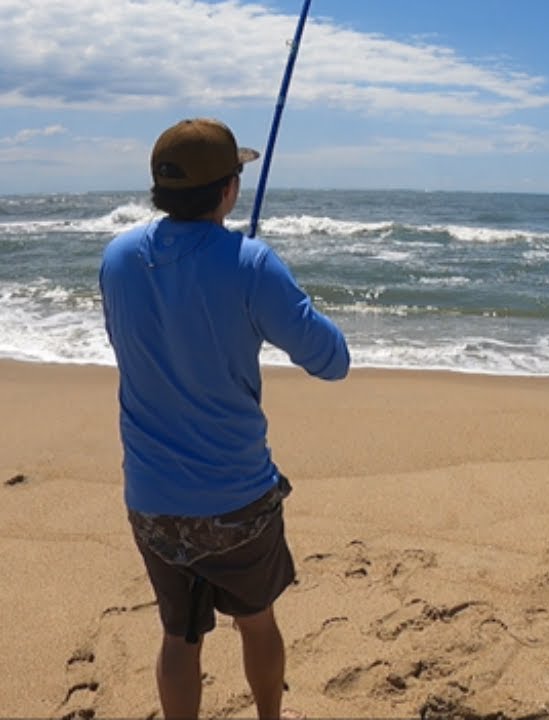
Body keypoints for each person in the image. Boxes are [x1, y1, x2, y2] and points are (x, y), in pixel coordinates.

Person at [99, 118, 350, 719]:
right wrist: (260, 286)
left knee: (179, 635)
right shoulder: (252, 264)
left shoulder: (118, 257)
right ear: (229, 190)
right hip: (236, 499)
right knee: (257, 622)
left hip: (151, 498)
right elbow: (331, 360)